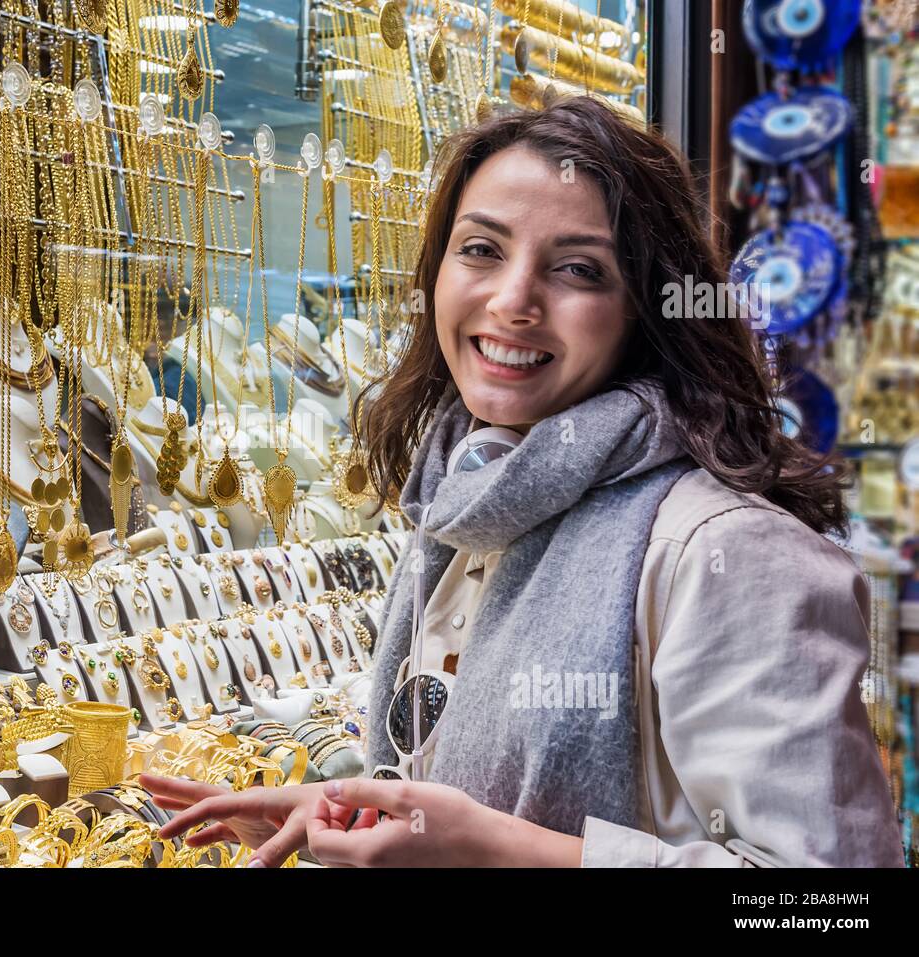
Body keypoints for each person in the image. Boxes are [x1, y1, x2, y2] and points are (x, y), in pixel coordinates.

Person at [143, 97, 903, 867]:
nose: (512, 302)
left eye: (578, 268)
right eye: (480, 249)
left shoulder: (729, 552)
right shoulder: (465, 501)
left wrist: (502, 851)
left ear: (647, 308)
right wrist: (364, 811)